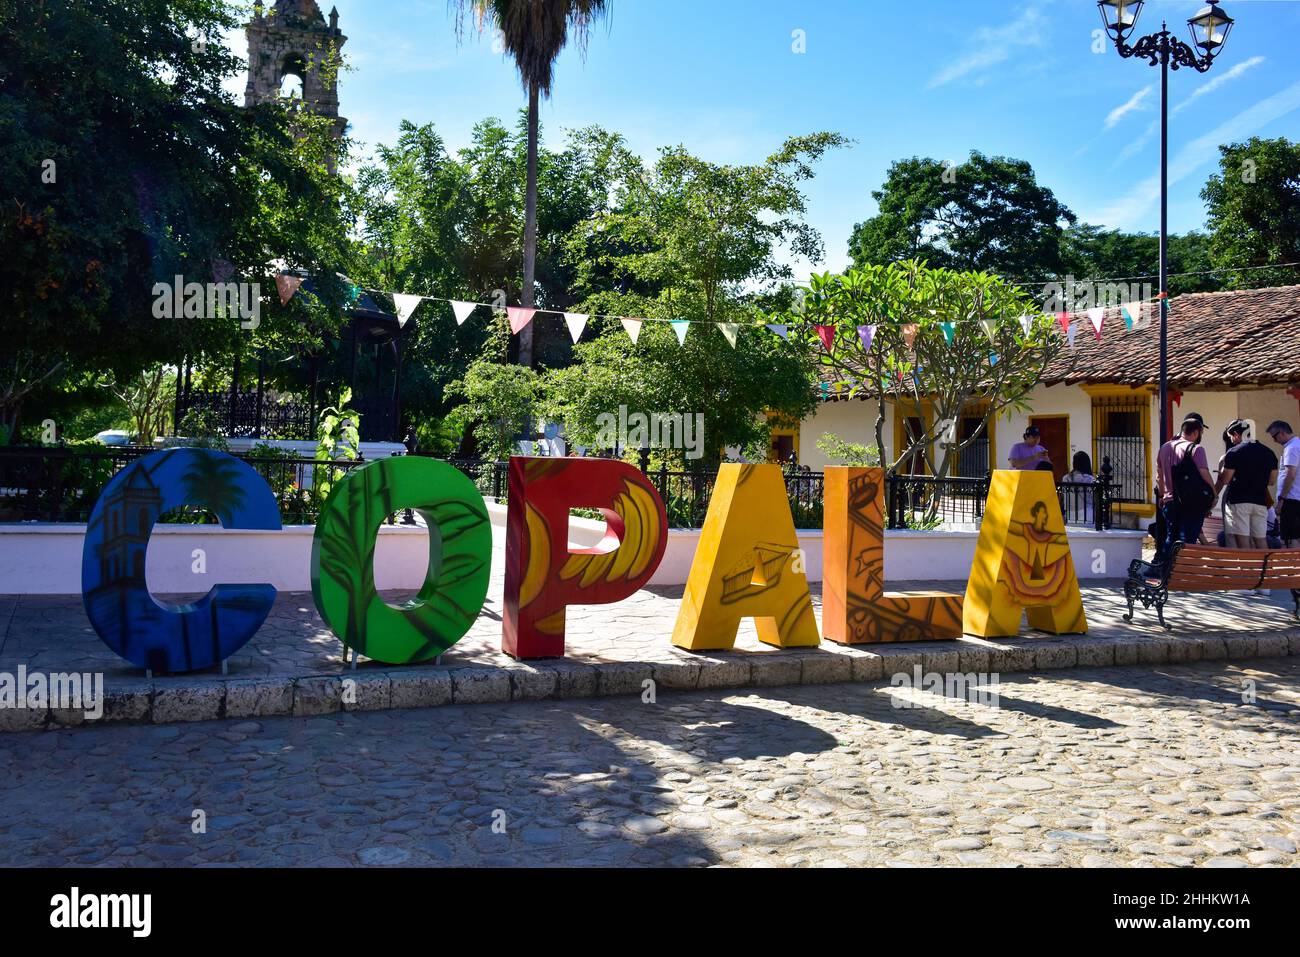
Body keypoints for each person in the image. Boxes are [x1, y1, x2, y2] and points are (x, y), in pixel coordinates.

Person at [1155, 413, 1215, 563]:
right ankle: (1183, 573)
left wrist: (1162, 496)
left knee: (1171, 538)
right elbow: (1204, 473)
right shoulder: (1196, 449)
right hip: (1191, 503)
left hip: (1169, 501)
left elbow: (1159, 476)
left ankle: (1167, 572)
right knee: (1187, 541)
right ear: (1196, 432)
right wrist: (1214, 493)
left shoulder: (1164, 448)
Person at [1216, 419, 1278, 551]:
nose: (1231, 441)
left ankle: (1247, 570)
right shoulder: (1269, 453)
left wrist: (1221, 472)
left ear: (1237, 434)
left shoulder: (1234, 452)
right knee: (1260, 540)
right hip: (1260, 501)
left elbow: (1226, 479)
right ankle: (1264, 569)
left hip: (1238, 501)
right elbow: (1272, 481)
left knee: (1242, 540)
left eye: (1231, 437)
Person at [1267, 420, 1300, 547]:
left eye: (1274, 437)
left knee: (1292, 538)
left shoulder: (1291, 448)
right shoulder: (1297, 444)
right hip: (1296, 497)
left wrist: (1282, 499)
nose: (1274, 441)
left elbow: (1290, 475)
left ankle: (1293, 565)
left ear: (1281, 432)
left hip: (1291, 499)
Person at [1062, 451, 1095, 525]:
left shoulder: (1066, 478)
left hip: (1070, 512)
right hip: (1086, 511)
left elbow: (1064, 495)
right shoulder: (1089, 479)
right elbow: (1094, 497)